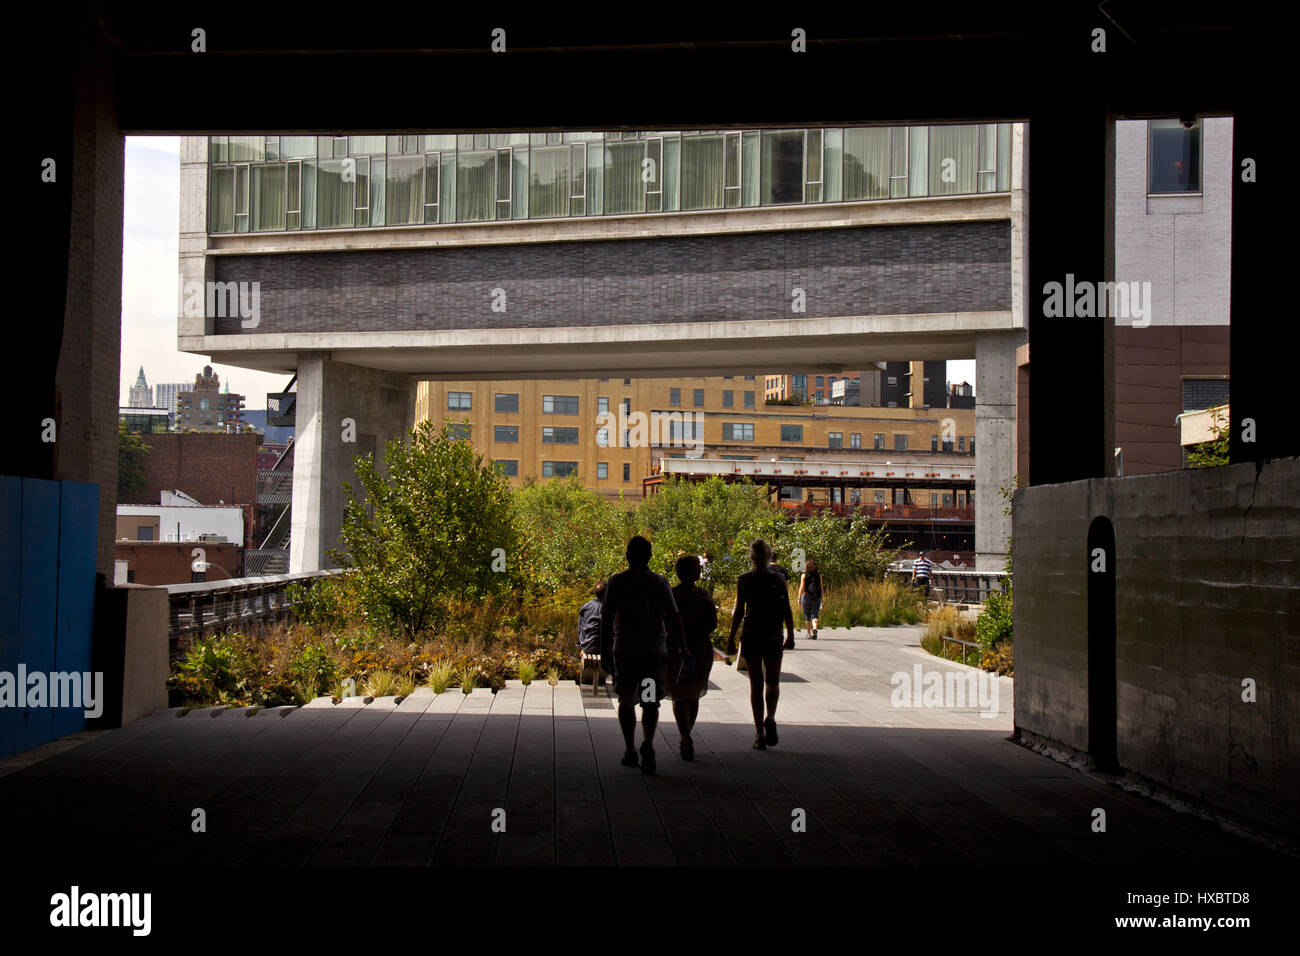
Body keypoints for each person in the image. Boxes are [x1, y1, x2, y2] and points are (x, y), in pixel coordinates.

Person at [599, 535, 686, 775]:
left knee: (626, 699)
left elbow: (606, 619)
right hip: (652, 651)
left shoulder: (617, 582)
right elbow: (672, 616)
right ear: (650, 556)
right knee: (650, 700)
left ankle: (630, 749)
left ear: (627, 556)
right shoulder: (659, 583)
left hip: (626, 651)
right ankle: (647, 743)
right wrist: (682, 645)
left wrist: (604, 648)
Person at [727, 539, 795, 751]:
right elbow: (786, 608)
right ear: (768, 556)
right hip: (773, 634)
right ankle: (771, 717)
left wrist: (731, 636)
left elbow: (739, 610)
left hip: (752, 634)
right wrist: (791, 633)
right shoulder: (779, 578)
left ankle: (758, 733)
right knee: (772, 681)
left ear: (752, 557)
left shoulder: (744, 580)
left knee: (755, 684)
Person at [668, 555, 718, 761]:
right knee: (694, 691)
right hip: (699, 649)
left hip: (677, 650)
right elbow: (712, 623)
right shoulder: (703, 596)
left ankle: (684, 735)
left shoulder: (672, 595)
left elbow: (665, 621)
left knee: (680, 693)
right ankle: (686, 734)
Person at [796, 559, 824, 640]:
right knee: (815, 615)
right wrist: (822, 597)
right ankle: (814, 628)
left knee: (807, 616)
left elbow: (802, 587)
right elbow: (821, 587)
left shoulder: (804, 575)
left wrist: (799, 598)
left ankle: (808, 633)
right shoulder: (819, 575)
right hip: (817, 596)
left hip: (806, 596)